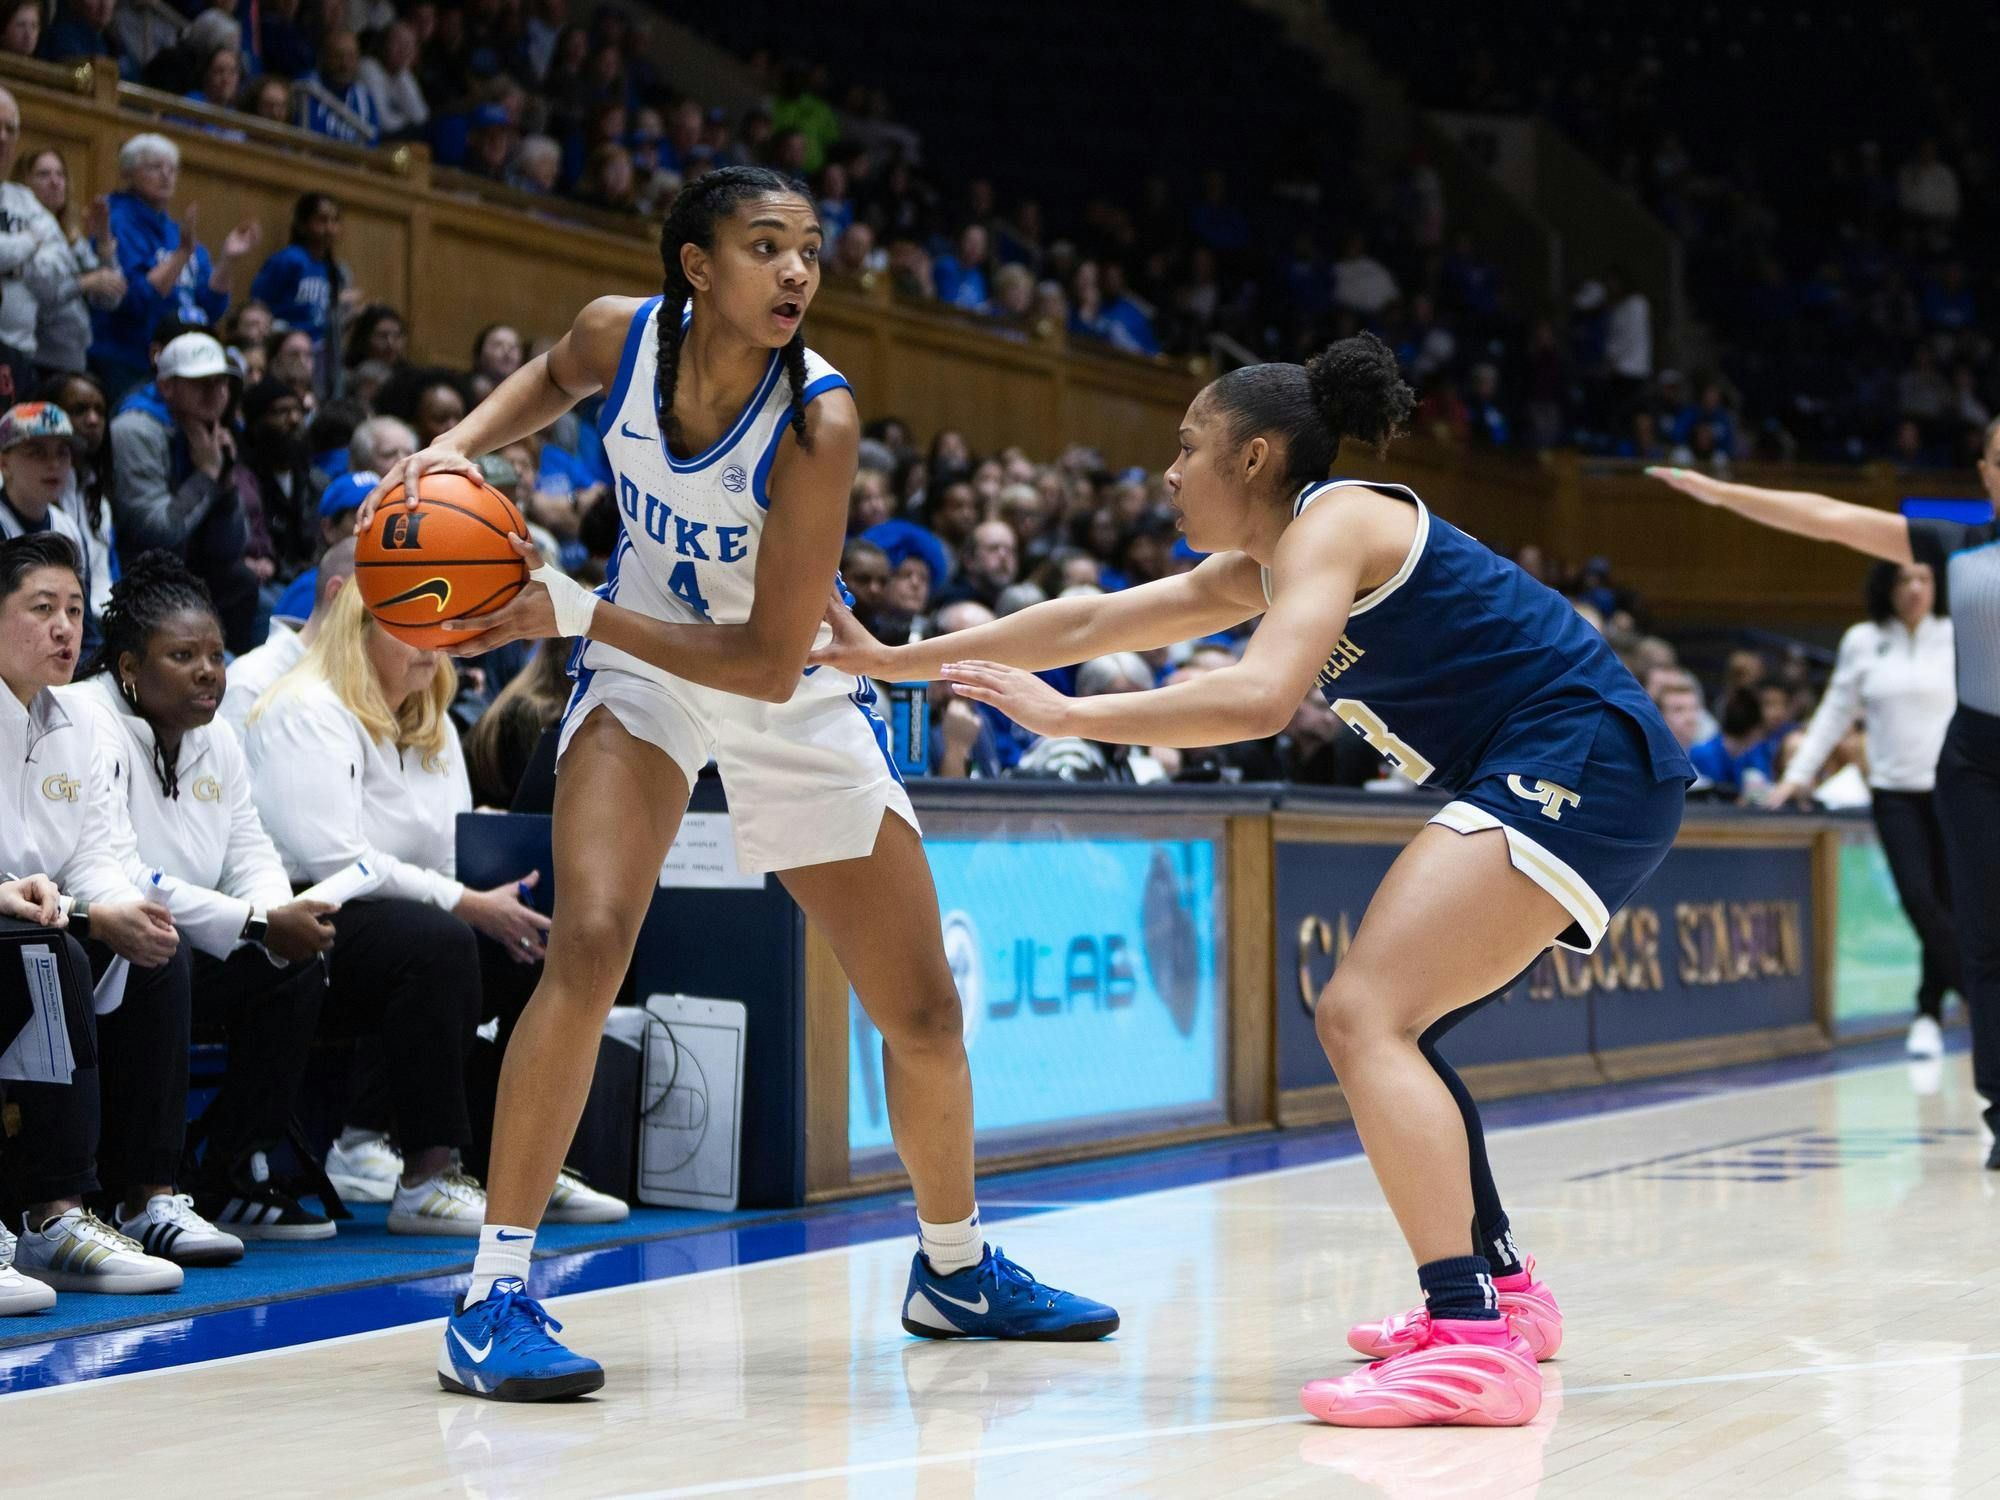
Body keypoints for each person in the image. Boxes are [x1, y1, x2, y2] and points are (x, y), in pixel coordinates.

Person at [814, 332, 1694, 1427]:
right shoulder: (1271, 560)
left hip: (1580, 758)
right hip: (1577, 763)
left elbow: (1259, 700)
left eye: (1187, 446)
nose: (1168, 472)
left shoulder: (1336, 519)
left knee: (1362, 1015)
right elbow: (1090, 620)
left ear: (1254, 458)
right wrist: (892, 658)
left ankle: (1466, 1340)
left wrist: (1071, 713)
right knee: (1395, 1028)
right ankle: (1502, 1296)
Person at [361, 164, 1116, 1402]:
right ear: (695, 266)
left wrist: (572, 607)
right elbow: (550, 377)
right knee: (590, 939)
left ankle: (954, 1267)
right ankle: (495, 1292)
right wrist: (441, 453)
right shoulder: (621, 335)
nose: (797, 272)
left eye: (809, 250)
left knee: (922, 1010)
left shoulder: (817, 418)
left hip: (782, 674)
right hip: (646, 661)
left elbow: (768, 662)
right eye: (766, 247)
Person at [1653, 448, 2000, 1161]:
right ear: (1986, 470)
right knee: (1984, 942)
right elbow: (1831, 519)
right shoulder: (1955, 545)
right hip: (1973, 766)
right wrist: (1725, 495)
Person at [244, 584, 563, 1236]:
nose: (431, 644)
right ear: (358, 633)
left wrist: (490, 898)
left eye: (441, 628)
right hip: (307, 923)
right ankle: (427, 1178)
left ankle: (511, 1163)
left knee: (531, 942)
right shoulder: (306, 710)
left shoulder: (434, 721)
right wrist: (466, 902)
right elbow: (336, 861)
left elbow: (449, 852)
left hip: (401, 923)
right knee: (439, 940)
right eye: (409, 627)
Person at [61, 551, 339, 1238]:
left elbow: (250, 849)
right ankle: (144, 1194)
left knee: (293, 967)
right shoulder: (86, 721)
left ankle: (234, 1171)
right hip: (91, 936)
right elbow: (123, 872)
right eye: (182, 656)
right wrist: (253, 921)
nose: (209, 671)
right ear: (129, 668)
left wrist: (277, 912)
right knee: (164, 955)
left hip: (185, 933)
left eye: (216, 654)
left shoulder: (214, 737)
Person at [0, 533, 243, 1288]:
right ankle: (48, 1210)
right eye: (42, 609)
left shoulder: (77, 723)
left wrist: (110, 907)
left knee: (154, 951)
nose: (65, 628)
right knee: (50, 953)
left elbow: (96, 852)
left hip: (37, 919)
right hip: (18, 926)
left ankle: (149, 1197)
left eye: (74, 610)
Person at [108, 331, 260, 652]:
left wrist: (226, 482)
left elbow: (231, 547)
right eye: (200, 382)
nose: (215, 393)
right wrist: (206, 474)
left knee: (243, 580)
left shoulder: (212, 429)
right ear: (167, 387)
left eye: (221, 382)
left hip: (189, 569)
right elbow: (157, 533)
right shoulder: (135, 430)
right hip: (139, 573)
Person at [92, 134, 261, 397]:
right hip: (127, 358)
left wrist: (228, 259)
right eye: (154, 167)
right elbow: (133, 299)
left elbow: (209, 308)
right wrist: (180, 256)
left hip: (181, 362)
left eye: (172, 168)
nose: (166, 175)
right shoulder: (116, 219)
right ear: (128, 172)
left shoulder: (173, 230)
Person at [15, 146, 128, 379]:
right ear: (24, 183)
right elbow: (36, 295)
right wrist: (86, 283)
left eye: (61, 174)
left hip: (73, 362)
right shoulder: (18, 235)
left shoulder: (71, 238)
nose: (56, 182)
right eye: (44, 175)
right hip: (34, 360)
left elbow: (110, 298)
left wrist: (105, 240)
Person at [251, 194, 356, 395]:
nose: (329, 228)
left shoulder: (336, 271)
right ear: (302, 224)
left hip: (321, 355)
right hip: (286, 348)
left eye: (335, 221)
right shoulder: (289, 260)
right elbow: (259, 304)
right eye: (322, 220)